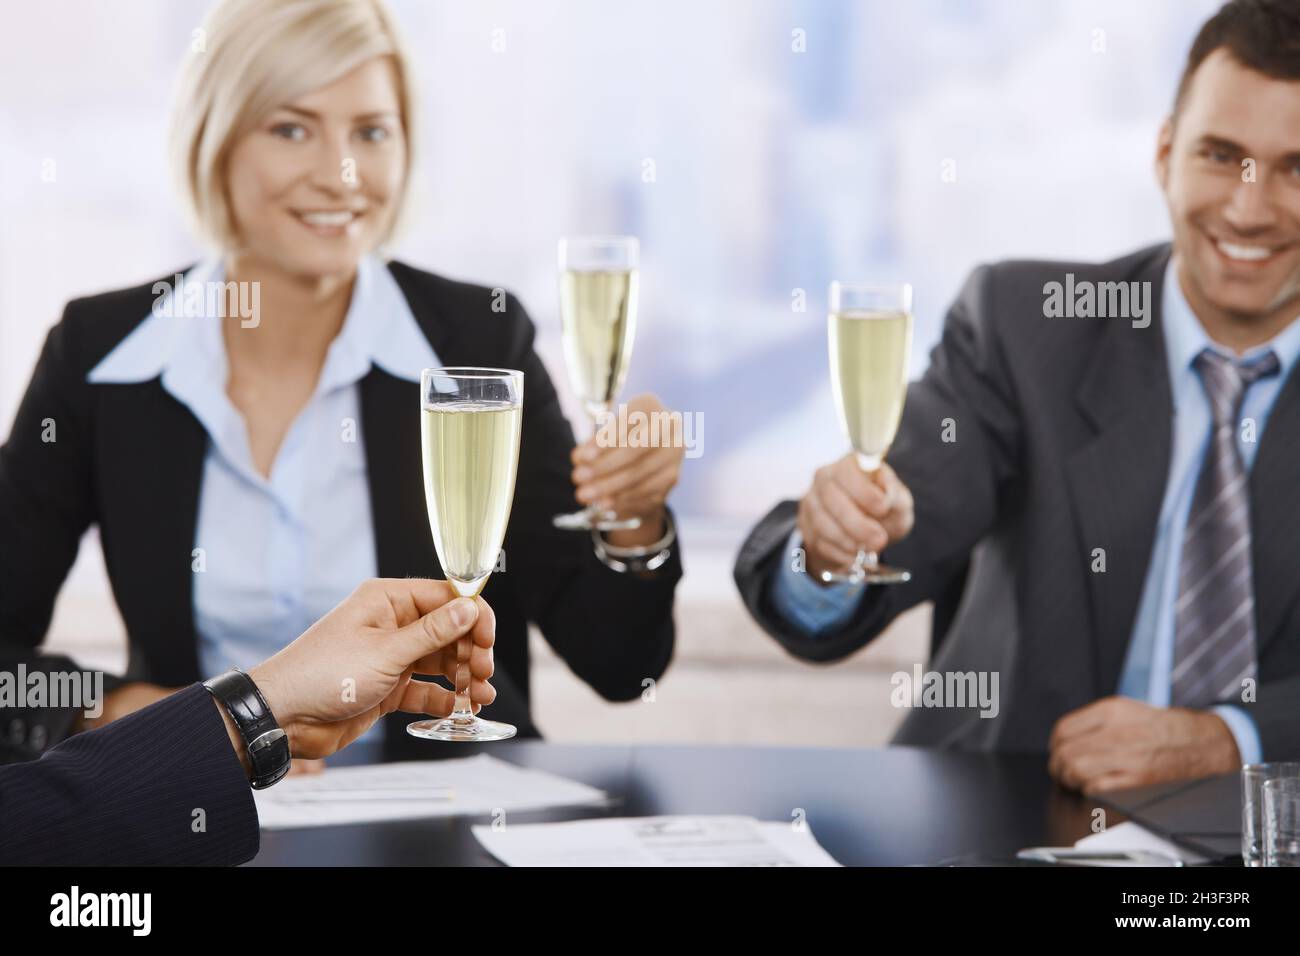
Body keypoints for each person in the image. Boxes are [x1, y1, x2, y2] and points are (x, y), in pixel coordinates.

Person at [0, 0, 684, 766]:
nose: (340, 175)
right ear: (216, 140)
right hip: (203, 826)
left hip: (448, 819)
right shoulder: (101, 355)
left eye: (370, 132)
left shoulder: (480, 345)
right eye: (291, 129)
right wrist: (132, 711)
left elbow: (623, 664)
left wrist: (633, 524)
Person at [735, 0, 1300, 794]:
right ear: (1165, 153)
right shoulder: (1025, 329)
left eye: (1294, 168)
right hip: (1008, 818)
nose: (1249, 207)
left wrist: (1226, 739)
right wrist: (833, 552)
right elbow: (891, 519)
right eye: (1219, 154)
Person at [0, 578, 496, 865]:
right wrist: (109, 704)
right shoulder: (91, 397)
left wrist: (265, 712)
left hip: (446, 817)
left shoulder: (478, 397)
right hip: (194, 810)